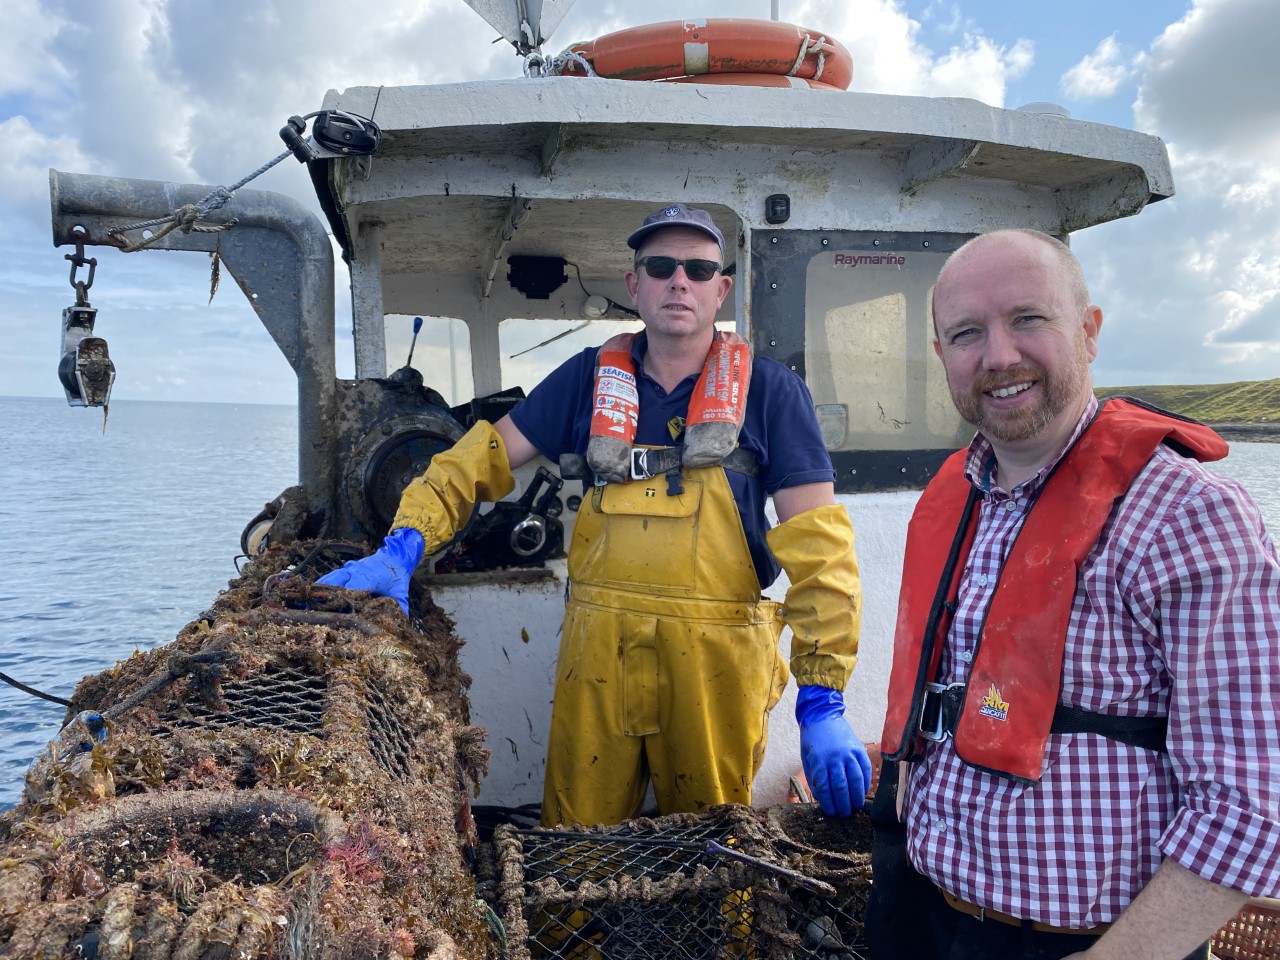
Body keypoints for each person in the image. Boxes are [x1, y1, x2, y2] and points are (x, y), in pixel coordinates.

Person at [318, 203, 872, 828]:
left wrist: (822, 698)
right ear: (635, 284)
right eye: (660, 266)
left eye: (698, 268)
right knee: (576, 842)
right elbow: (478, 458)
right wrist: (405, 542)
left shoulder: (772, 393)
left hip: (716, 662)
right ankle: (570, 929)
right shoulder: (586, 379)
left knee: (716, 844)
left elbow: (819, 547)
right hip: (599, 651)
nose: (678, 281)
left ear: (722, 289)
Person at [867, 228, 1280, 960]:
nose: (998, 356)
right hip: (922, 914)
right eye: (967, 333)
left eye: (1028, 318)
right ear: (942, 357)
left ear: (1088, 332)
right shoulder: (953, 495)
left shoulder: (1190, 516)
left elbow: (1251, 805)